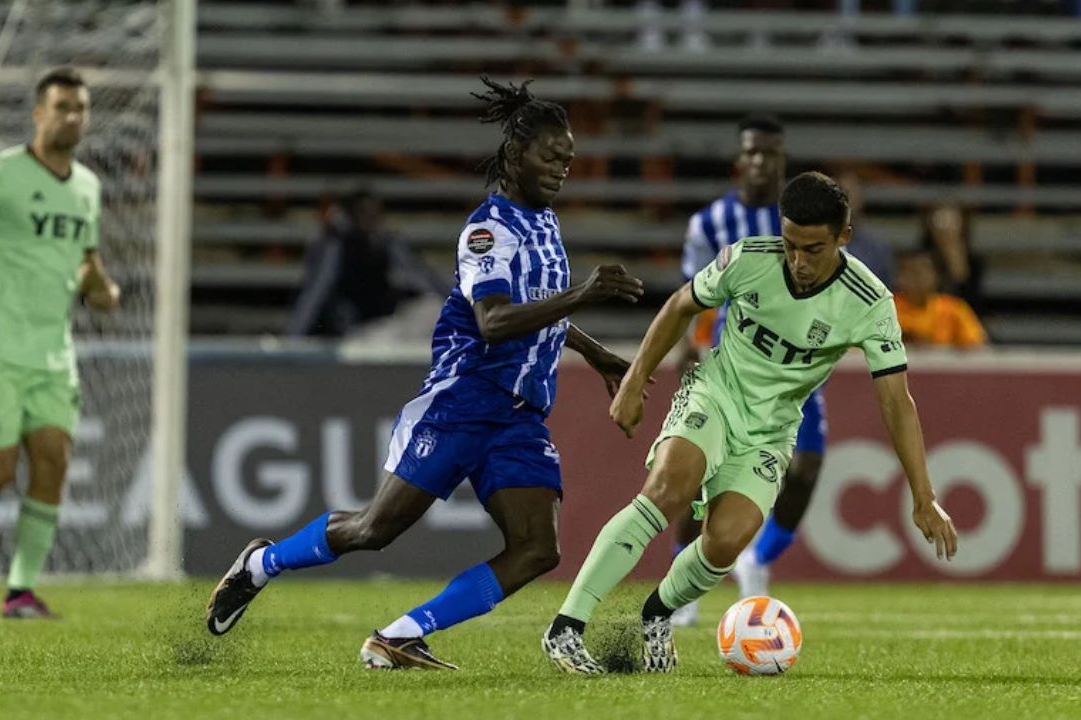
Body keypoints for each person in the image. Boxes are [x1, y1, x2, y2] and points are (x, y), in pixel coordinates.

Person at [205, 76, 644, 670]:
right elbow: (493, 322)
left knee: (538, 549)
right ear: (516, 153)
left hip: (518, 418)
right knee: (372, 530)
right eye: (551, 156)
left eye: (568, 159)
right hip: (462, 402)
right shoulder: (487, 230)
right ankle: (261, 564)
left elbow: (536, 309)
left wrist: (592, 352)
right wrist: (585, 293)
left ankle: (400, 635)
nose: (562, 169)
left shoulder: (545, 224)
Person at [543, 172, 958, 674]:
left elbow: (896, 401)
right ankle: (567, 626)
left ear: (844, 237)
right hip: (715, 394)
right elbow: (680, 305)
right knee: (667, 491)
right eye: (791, 245)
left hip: (772, 431)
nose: (799, 262)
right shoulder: (749, 259)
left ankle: (657, 614)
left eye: (814, 249)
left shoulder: (869, 302)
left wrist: (923, 494)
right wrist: (635, 379)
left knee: (726, 540)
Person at [670, 114, 829, 625]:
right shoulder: (710, 224)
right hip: (731, 370)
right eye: (752, 152)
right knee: (700, 479)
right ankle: (683, 588)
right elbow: (689, 298)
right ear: (741, 160)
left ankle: (756, 561)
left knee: (805, 469)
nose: (760, 161)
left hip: (795, 370)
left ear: (782, 159)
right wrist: (688, 350)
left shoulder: (802, 219)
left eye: (770, 152)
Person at [0, 67, 122, 618]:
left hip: (54, 354)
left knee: (53, 461)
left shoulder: (87, 187)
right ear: (38, 113)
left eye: (80, 107)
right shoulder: (0, 173)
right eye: (62, 106)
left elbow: (87, 259)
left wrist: (102, 287)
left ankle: (19, 590)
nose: (72, 116)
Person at [286, 189, 445, 337]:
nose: (370, 218)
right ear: (352, 216)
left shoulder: (387, 243)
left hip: (380, 327)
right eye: (364, 213)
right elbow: (316, 291)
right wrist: (293, 337)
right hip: (352, 333)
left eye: (374, 213)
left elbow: (422, 278)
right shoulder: (336, 246)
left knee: (433, 308)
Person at [893, 250, 987, 349]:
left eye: (917, 273)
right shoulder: (887, 307)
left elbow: (977, 345)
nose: (910, 279)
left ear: (936, 276)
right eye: (904, 272)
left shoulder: (953, 308)